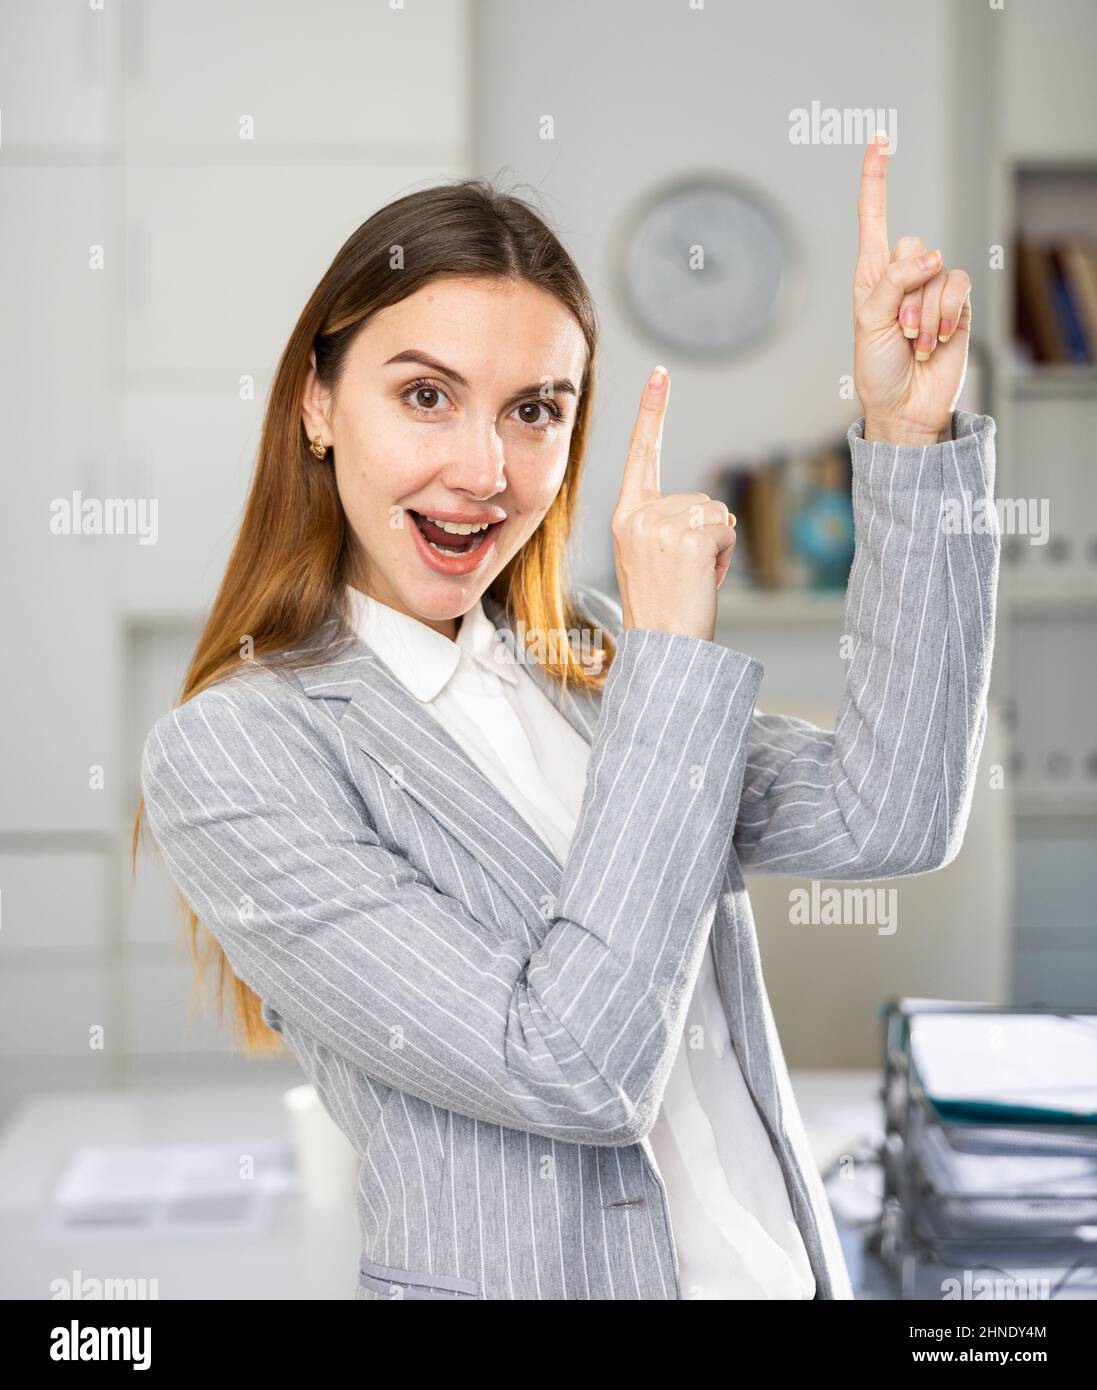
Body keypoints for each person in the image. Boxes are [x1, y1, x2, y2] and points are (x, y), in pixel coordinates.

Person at [134, 134, 999, 1300]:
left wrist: (906, 442)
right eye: (425, 395)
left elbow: (887, 816)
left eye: (534, 409)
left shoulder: (582, 659)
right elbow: (574, 1069)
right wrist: (672, 665)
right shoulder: (239, 750)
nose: (483, 469)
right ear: (317, 403)